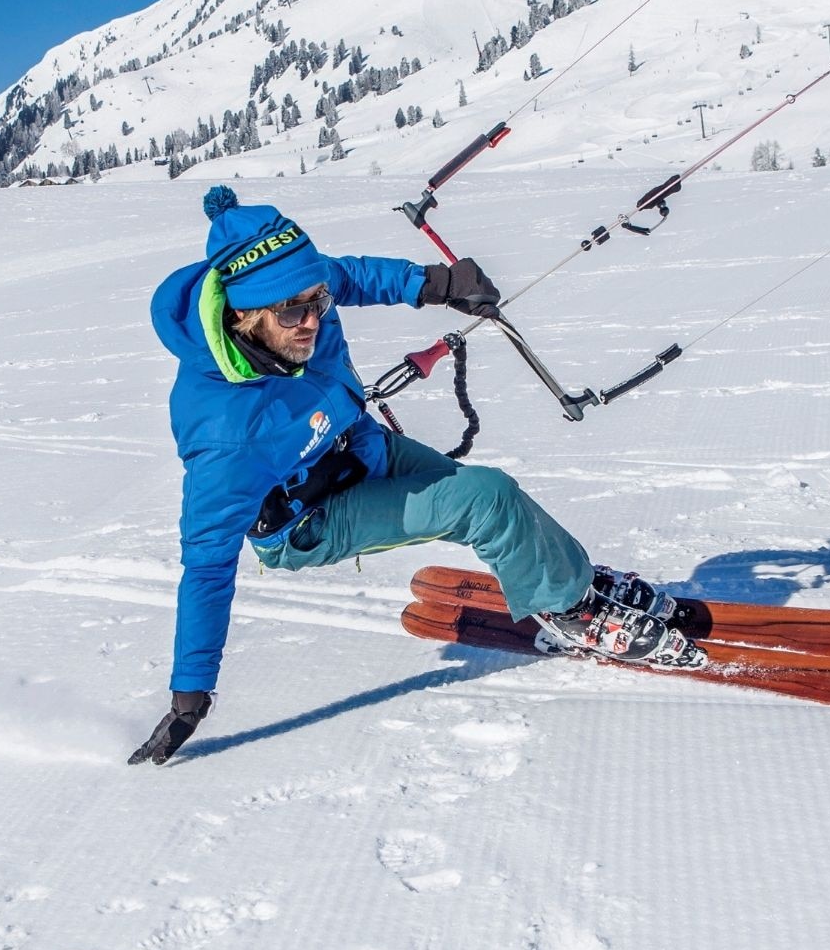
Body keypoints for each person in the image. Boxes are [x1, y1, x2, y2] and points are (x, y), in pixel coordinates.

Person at [129, 186, 695, 765]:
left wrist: (434, 284)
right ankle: (577, 612)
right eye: (293, 312)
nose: (313, 324)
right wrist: (189, 698)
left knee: (487, 500)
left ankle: (567, 581)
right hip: (307, 520)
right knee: (485, 500)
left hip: (359, 449)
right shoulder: (226, 436)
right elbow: (206, 566)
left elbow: (346, 275)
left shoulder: (295, 291)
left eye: (316, 303)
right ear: (244, 315)